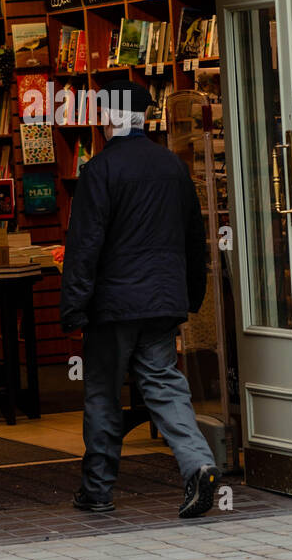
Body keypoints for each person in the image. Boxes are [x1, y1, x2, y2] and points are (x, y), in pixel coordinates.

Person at [59, 78, 219, 518]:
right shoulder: (172, 166)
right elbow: (194, 239)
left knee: (103, 394)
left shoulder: (99, 171)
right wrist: (190, 294)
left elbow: (84, 246)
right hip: (163, 299)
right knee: (165, 385)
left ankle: (97, 490)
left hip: (112, 306)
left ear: (108, 118)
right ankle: (199, 463)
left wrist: (73, 307)